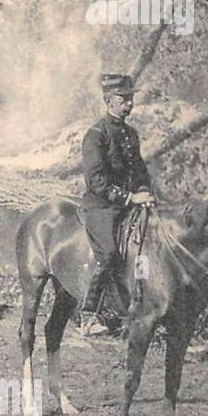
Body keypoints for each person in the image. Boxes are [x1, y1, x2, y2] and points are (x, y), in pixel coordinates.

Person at [80, 72, 155, 337]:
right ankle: (88, 316)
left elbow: (140, 171)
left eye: (131, 98)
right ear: (109, 101)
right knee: (109, 254)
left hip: (130, 205)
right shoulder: (96, 134)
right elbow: (96, 181)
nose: (130, 104)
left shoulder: (131, 134)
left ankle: (140, 308)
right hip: (101, 207)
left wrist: (145, 192)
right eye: (124, 99)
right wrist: (129, 198)